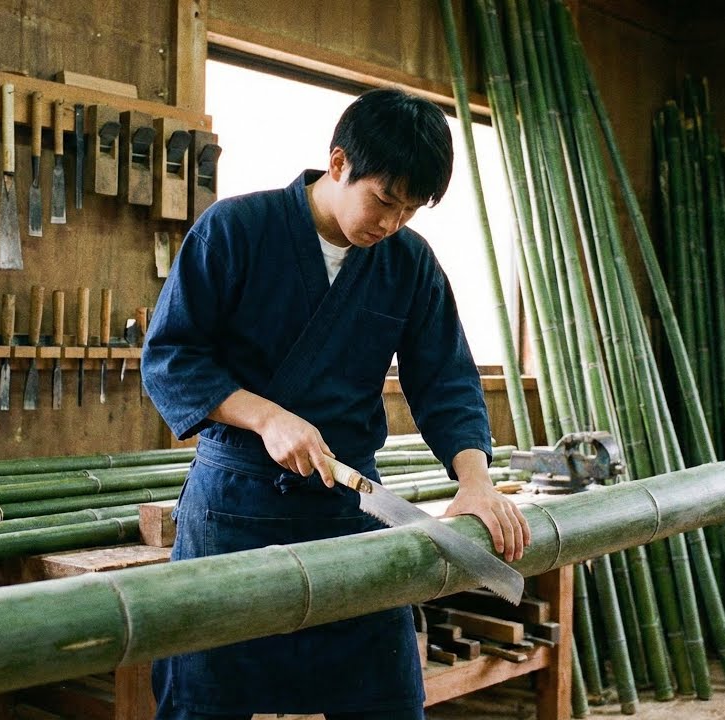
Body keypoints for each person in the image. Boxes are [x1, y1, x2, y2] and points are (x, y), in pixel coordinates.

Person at [142, 87, 531, 720]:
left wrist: (476, 481)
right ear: (340, 162)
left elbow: (447, 380)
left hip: (350, 514)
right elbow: (169, 357)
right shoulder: (236, 228)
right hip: (234, 515)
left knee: (387, 700)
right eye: (384, 200)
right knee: (206, 702)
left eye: (409, 211)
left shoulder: (408, 264)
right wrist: (265, 416)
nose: (390, 224)